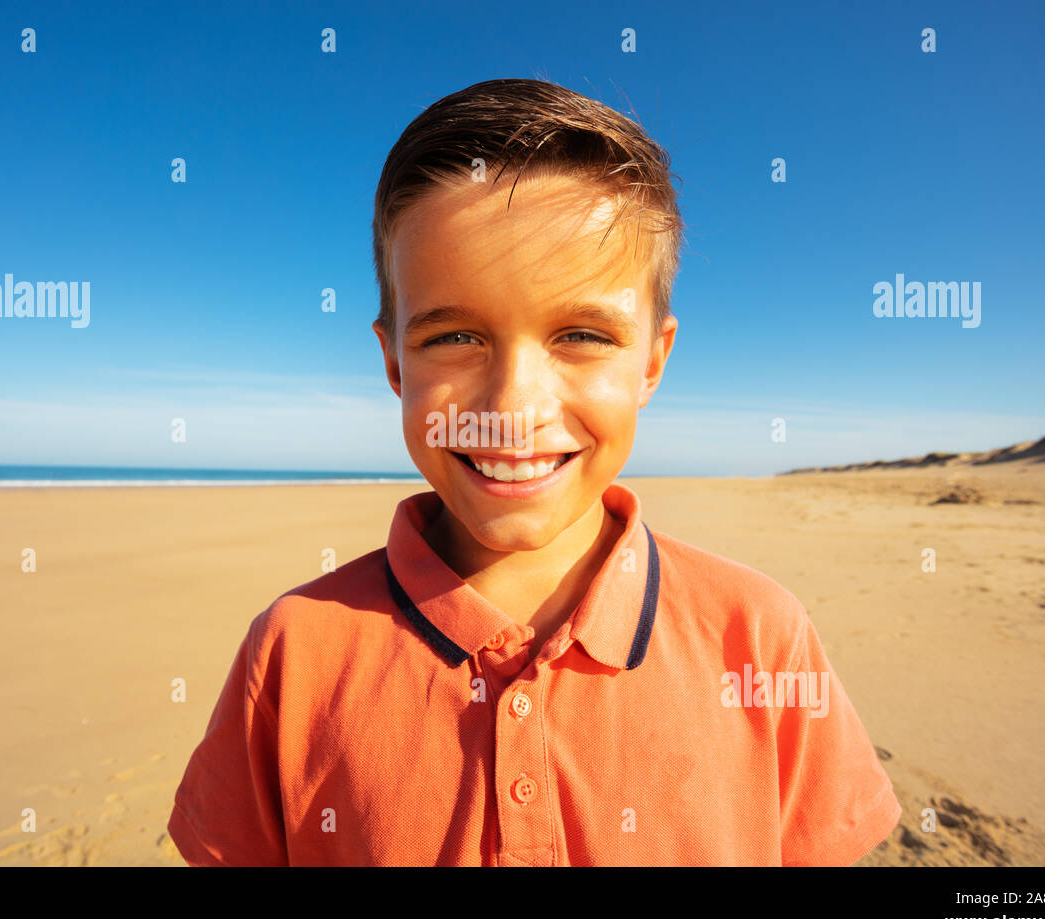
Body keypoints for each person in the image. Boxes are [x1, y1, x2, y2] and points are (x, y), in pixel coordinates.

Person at [167, 77, 900, 866]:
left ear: (652, 362)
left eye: (582, 334)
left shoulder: (760, 636)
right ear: (392, 362)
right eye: (453, 338)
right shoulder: (292, 650)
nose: (513, 406)